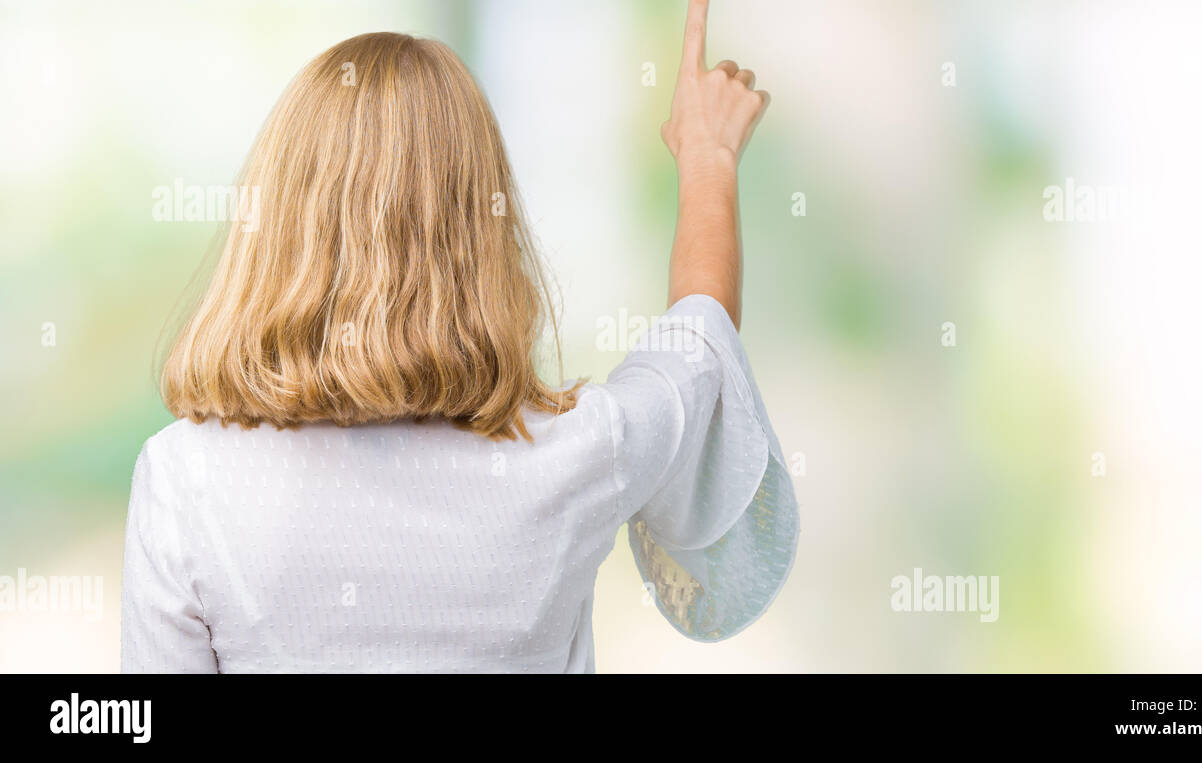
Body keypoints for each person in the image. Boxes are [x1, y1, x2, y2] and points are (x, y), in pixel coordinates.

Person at [121, 0, 797, 673]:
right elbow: (701, 339)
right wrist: (708, 154)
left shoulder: (187, 478)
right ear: (484, 229)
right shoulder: (582, 453)